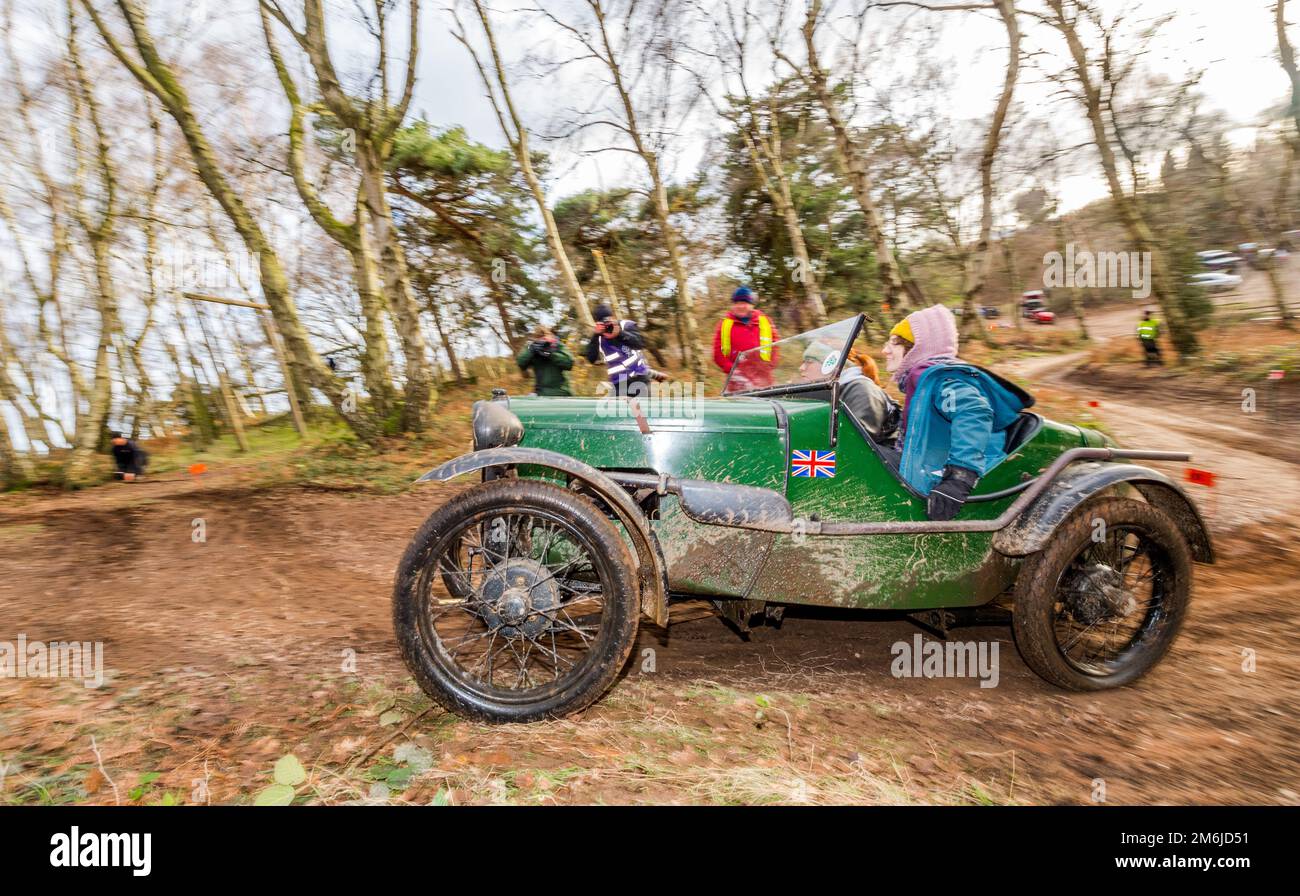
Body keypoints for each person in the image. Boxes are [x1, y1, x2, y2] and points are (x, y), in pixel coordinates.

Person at [882, 304, 1032, 521]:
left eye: (894, 344)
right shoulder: (924, 380)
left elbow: (974, 411)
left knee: (850, 459)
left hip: (946, 472)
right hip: (930, 462)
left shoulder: (942, 379)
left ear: (917, 348)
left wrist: (959, 478)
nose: (884, 350)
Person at [799, 342, 900, 444]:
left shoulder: (862, 390)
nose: (801, 368)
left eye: (809, 361)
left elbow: (855, 442)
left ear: (830, 364)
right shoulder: (832, 390)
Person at [713, 286, 780, 391]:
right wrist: (734, 372)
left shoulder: (765, 321)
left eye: (744, 303)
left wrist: (768, 367)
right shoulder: (724, 324)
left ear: (752, 305)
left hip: (764, 381)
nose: (740, 306)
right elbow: (718, 354)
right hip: (736, 384)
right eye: (736, 303)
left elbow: (775, 346)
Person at [585, 304, 651, 397]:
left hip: (639, 377)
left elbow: (640, 344)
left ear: (612, 317)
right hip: (619, 383)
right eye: (602, 322)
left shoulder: (625, 325)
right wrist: (596, 335)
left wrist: (620, 333)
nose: (606, 324)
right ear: (597, 323)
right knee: (620, 411)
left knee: (644, 409)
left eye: (607, 320)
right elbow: (591, 358)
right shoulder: (598, 337)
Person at [516, 326, 574, 396]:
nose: (543, 342)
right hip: (541, 393)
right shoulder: (532, 347)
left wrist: (551, 354)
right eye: (540, 340)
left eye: (545, 339)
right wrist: (531, 350)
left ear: (551, 336)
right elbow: (521, 363)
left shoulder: (558, 346)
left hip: (561, 392)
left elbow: (569, 364)